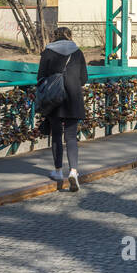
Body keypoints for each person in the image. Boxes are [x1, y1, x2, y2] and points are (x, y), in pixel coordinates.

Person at [39, 26, 89, 192]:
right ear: (69, 36)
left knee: (56, 136)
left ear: (55, 36)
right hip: (73, 99)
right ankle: (73, 171)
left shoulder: (47, 52)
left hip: (55, 99)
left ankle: (58, 171)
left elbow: (40, 77)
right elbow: (84, 79)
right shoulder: (78, 52)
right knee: (71, 137)